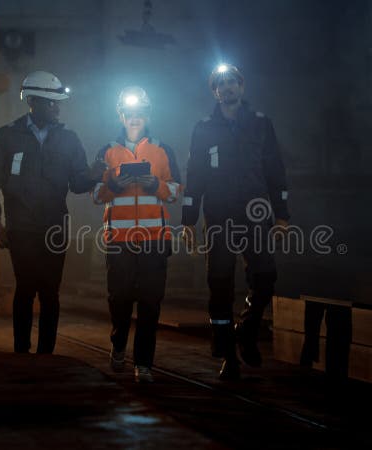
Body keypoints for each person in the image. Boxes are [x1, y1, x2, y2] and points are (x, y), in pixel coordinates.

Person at [0, 70, 105, 354]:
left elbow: (77, 183)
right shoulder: (8, 138)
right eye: (52, 103)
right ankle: (21, 351)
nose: (57, 108)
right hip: (20, 227)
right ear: (33, 102)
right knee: (26, 287)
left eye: (58, 103)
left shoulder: (69, 140)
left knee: (50, 291)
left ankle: (46, 354)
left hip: (55, 227)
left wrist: (96, 174)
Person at [181, 64, 290, 380]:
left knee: (266, 277)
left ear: (242, 87)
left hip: (255, 215)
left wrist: (282, 215)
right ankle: (228, 353)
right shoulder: (203, 129)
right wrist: (189, 220)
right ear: (215, 92)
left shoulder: (261, 125)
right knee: (220, 284)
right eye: (221, 84)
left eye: (232, 82)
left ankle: (248, 329)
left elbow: (275, 170)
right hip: (218, 217)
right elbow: (195, 176)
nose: (227, 87)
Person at [92, 86, 181, 383]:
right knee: (119, 298)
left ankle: (143, 364)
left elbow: (176, 191)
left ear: (148, 115)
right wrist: (115, 185)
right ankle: (118, 343)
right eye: (129, 113)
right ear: (120, 115)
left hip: (155, 239)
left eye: (140, 113)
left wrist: (154, 183)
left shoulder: (162, 150)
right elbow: (95, 193)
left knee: (150, 301)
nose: (134, 118)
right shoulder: (106, 151)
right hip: (119, 241)